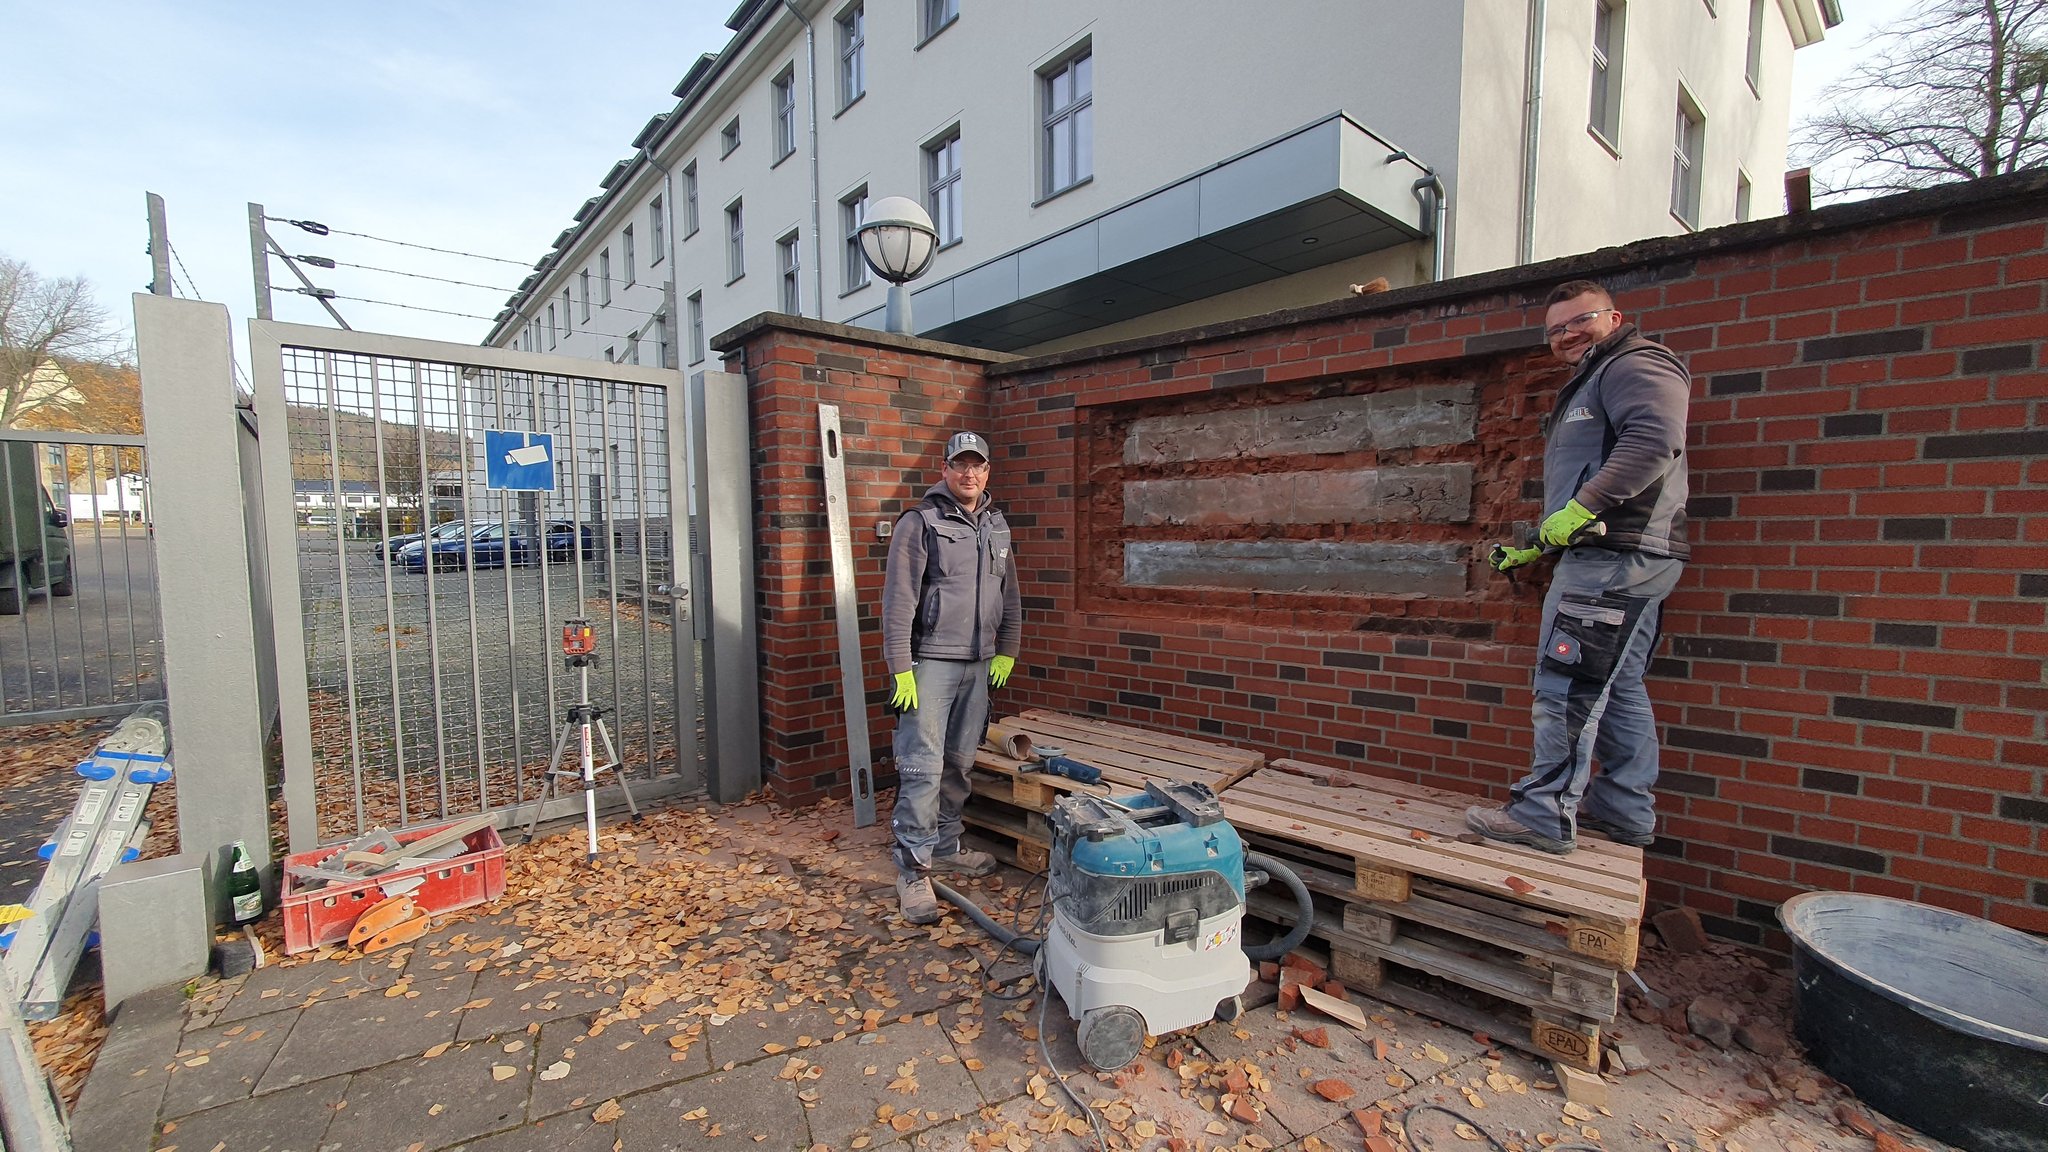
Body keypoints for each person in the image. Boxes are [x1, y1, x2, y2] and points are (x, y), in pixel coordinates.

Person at [1466, 280, 1691, 855]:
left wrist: (1584, 509)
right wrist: (1543, 541)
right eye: (1556, 329)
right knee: (1616, 688)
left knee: (1565, 686)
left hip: (1615, 556)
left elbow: (1652, 441)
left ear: (1614, 317)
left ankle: (1542, 813)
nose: (1567, 334)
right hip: (1618, 553)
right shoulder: (1597, 375)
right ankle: (1622, 815)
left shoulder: (1635, 365)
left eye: (1579, 320)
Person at [881, 431, 1023, 923]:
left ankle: (944, 844)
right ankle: (913, 870)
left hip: (979, 664)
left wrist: (1007, 649)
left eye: (977, 466)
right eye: (959, 465)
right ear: (944, 470)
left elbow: (1011, 595)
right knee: (921, 766)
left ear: (987, 473)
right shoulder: (920, 523)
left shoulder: (996, 526)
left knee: (960, 761)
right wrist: (901, 667)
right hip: (931, 664)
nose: (969, 474)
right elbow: (899, 599)